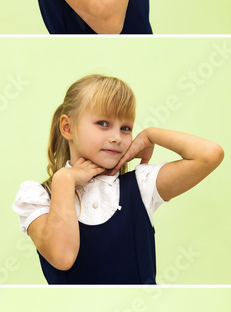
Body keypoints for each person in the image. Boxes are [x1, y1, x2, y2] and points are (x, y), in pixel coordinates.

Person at [13, 74, 222, 284]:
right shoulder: (38, 197)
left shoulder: (141, 185)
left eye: (125, 128)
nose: (116, 138)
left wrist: (150, 134)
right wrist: (64, 179)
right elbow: (62, 258)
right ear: (68, 128)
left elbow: (210, 155)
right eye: (103, 123)